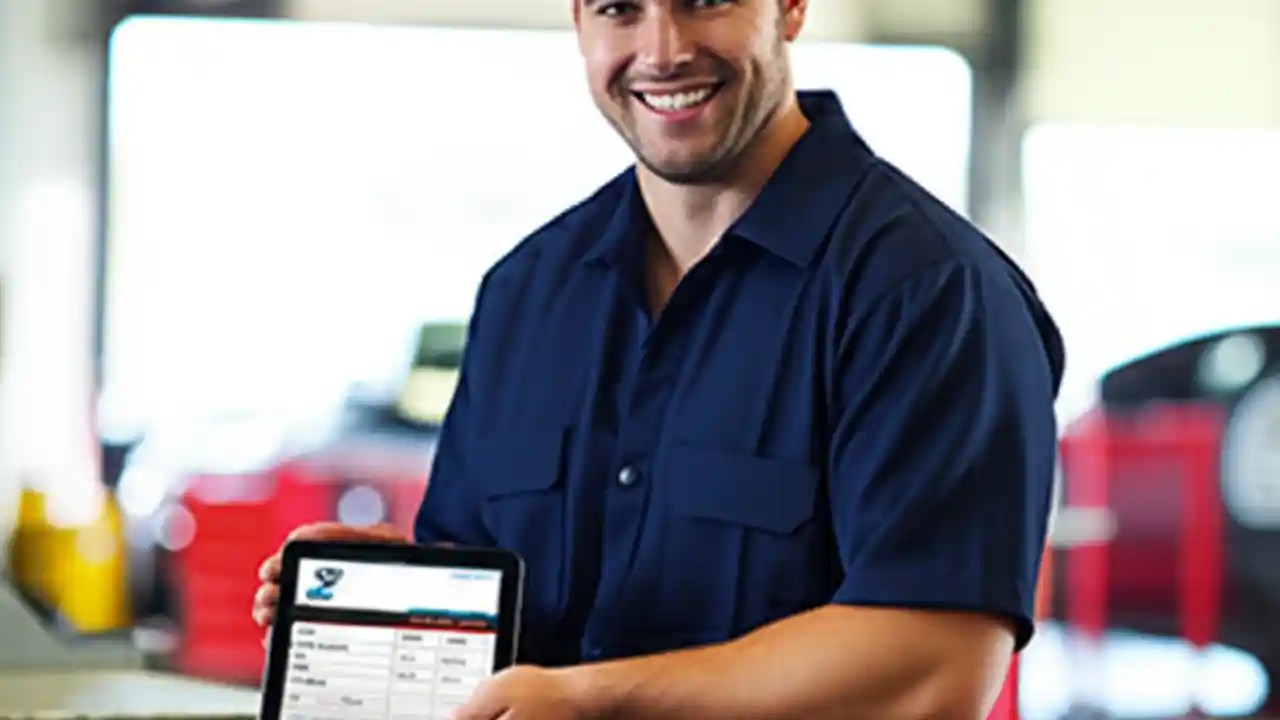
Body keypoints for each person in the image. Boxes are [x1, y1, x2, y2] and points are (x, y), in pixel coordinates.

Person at [253, 0, 1065, 717]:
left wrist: (592, 699)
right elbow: (496, 618)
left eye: (705, 1)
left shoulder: (931, 295)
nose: (664, 50)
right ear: (580, 21)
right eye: (620, 9)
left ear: (790, 7)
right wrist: (394, 613)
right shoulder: (525, 292)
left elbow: (932, 671)